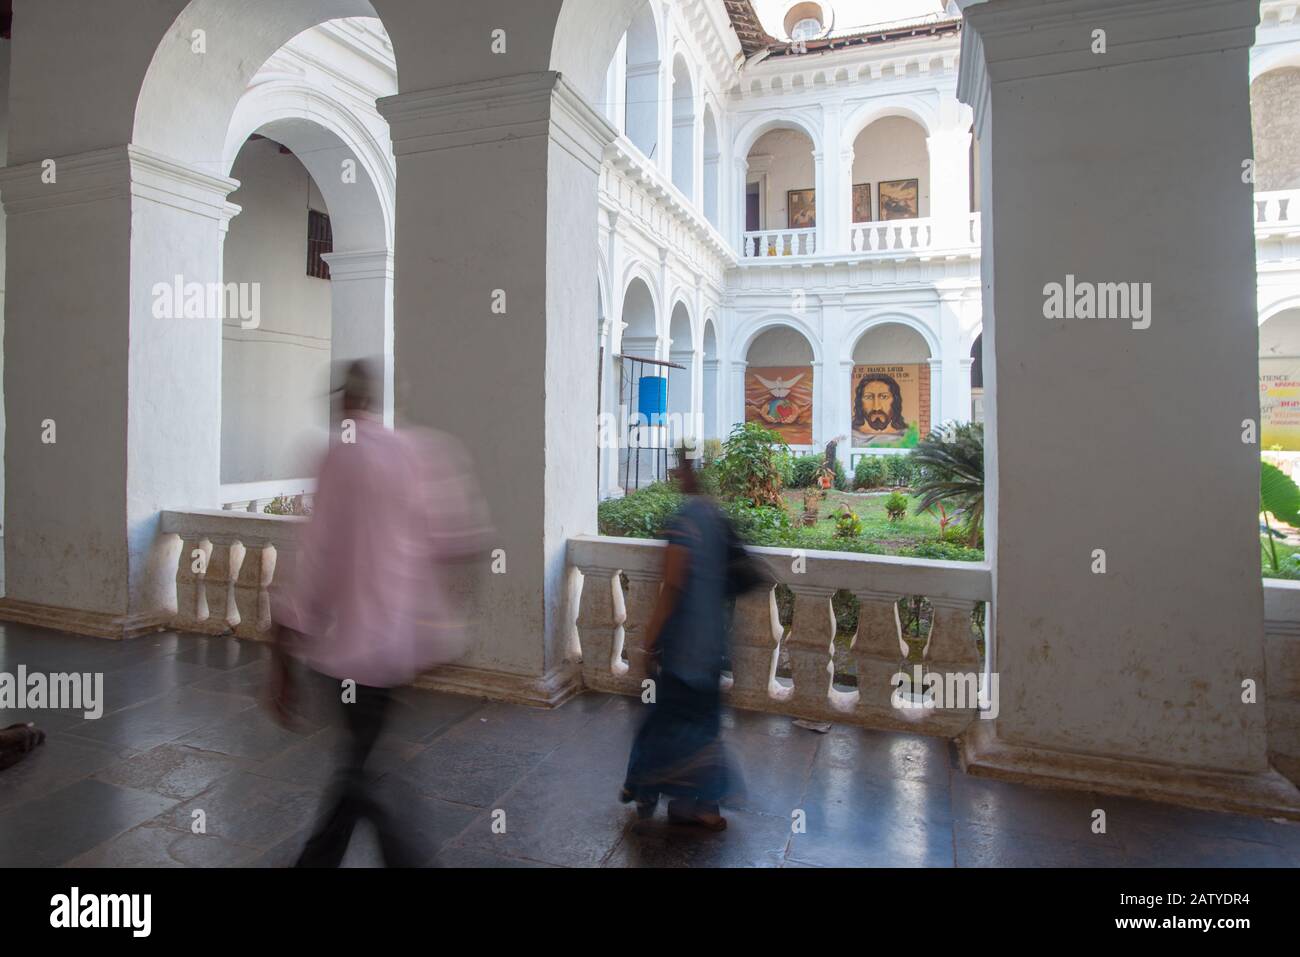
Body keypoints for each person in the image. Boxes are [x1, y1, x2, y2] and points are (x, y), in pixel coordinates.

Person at [267, 359, 490, 867]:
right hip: (400, 647)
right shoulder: (414, 452)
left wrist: (281, 649)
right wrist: (441, 619)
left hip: (350, 652)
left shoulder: (339, 455)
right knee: (364, 763)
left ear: (346, 400)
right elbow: (456, 542)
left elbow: (319, 555)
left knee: (366, 772)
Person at [619, 458, 748, 830]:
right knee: (702, 724)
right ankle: (696, 805)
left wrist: (650, 638)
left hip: (684, 645)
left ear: (683, 476)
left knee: (668, 724)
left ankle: (655, 791)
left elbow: (673, 585)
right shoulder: (712, 515)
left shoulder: (684, 523)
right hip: (712, 643)